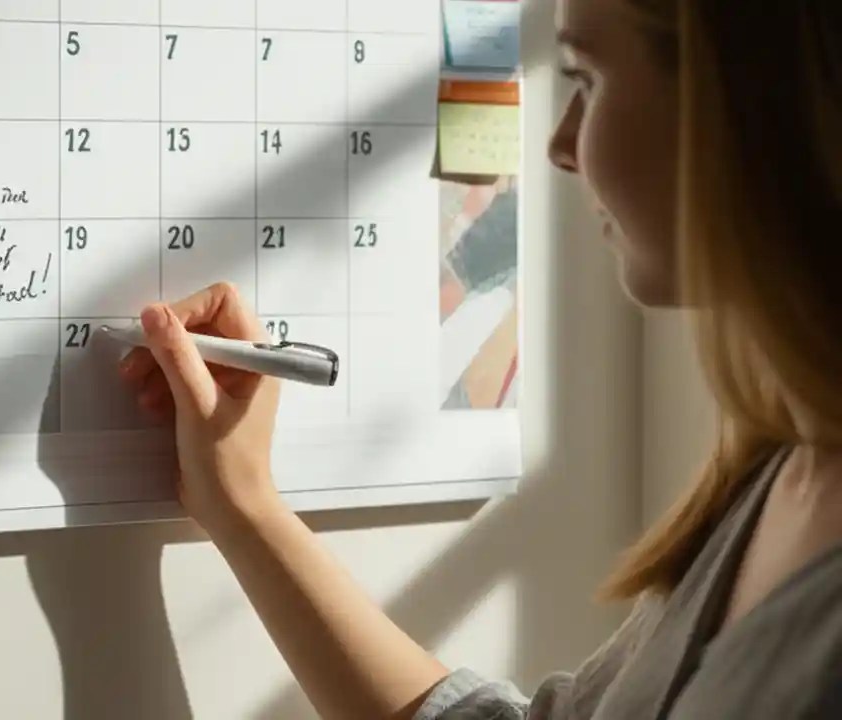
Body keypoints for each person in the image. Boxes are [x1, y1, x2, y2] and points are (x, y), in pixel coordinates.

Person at [117, 0, 842, 716]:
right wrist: (244, 504)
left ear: (746, 101)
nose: (561, 144)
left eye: (586, 77)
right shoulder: (778, 468)